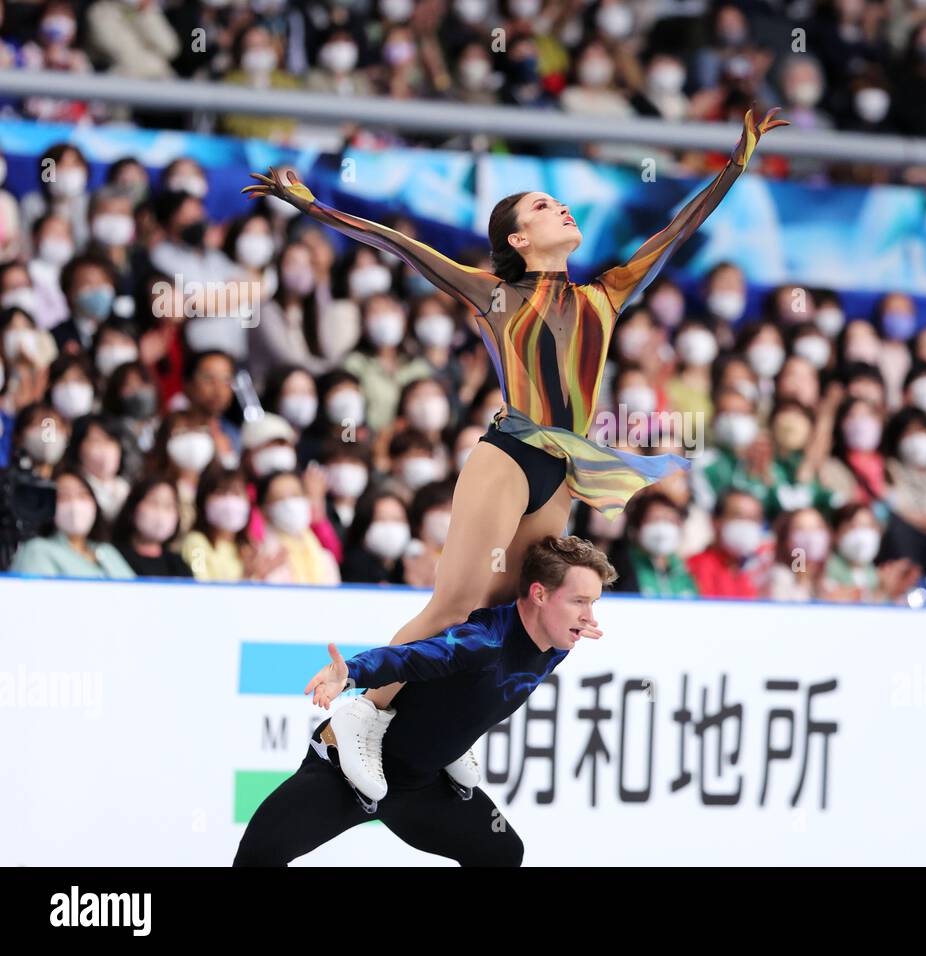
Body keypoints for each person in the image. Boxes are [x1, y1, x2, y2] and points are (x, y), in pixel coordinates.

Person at [240, 106, 789, 800]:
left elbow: (677, 232)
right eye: (543, 205)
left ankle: (441, 731)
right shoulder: (495, 295)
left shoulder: (606, 296)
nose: (560, 206)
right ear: (518, 237)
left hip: (564, 472)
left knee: (510, 615)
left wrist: (736, 162)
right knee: (459, 602)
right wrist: (313, 206)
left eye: (558, 200)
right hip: (510, 454)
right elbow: (402, 247)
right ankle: (362, 713)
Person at [233, 535, 614, 866]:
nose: (589, 617)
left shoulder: (557, 644)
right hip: (347, 772)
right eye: (580, 601)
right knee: (256, 857)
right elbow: (411, 657)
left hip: (421, 785)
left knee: (500, 852)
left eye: (593, 602)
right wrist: (351, 673)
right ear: (539, 594)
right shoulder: (484, 642)